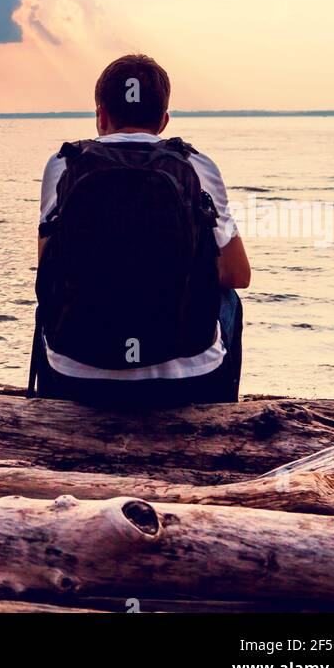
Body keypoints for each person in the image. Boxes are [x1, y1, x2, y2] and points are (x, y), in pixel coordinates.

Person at [30, 53, 251, 410]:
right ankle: (221, 415)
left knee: (52, 301)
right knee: (229, 301)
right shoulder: (196, 165)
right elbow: (237, 275)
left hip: (77, 376)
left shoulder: (64, 164)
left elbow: (48, 265)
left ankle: (49, 404)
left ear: (100, 114)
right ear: (163, 121)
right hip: (186, 381)